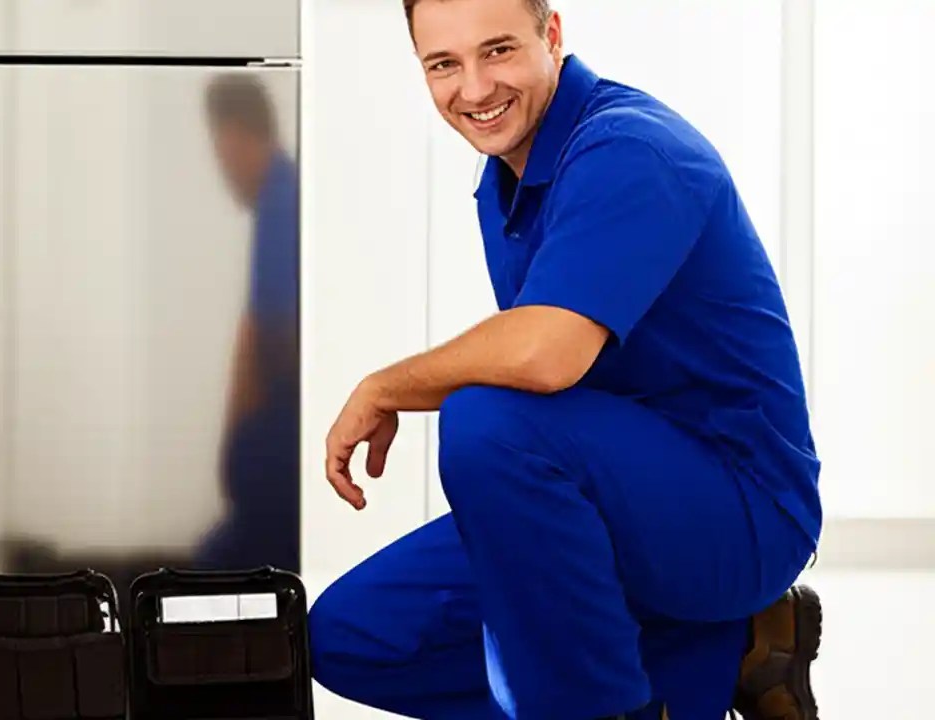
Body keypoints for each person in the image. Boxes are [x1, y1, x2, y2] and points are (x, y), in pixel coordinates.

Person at [308, 1, 823, 719]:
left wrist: (385, 387)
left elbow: (546, 358)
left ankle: (610, 705)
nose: (476, 88)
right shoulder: (507, 179)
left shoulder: (630, 152)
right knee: (351, 636)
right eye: (444, 64)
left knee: (487, 421)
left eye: (498, 51)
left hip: (737, 513)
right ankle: (729, 651)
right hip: (607, 493)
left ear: (552, 36)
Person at [193, 74, 302, 574]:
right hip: (272, 450)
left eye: (222, 153)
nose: (223, 169)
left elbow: (271, 329)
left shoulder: (283, 202)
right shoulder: (280, 200)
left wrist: (243, 430)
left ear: (238, 136)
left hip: (278, 449)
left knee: (215, 576)